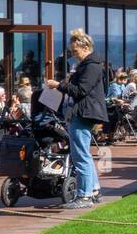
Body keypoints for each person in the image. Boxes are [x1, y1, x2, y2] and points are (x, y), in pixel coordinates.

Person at [44, 28, 107, 208]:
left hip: (83, 113)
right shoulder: (90, 64)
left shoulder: (91, 65)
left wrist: (59, 85)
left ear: (85, 47)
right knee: (83, 154)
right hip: (84, 112)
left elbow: (81, 91)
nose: (74, 55)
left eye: (75, 51)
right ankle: (94, 190)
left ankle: (84, 196)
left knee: (80, 155)